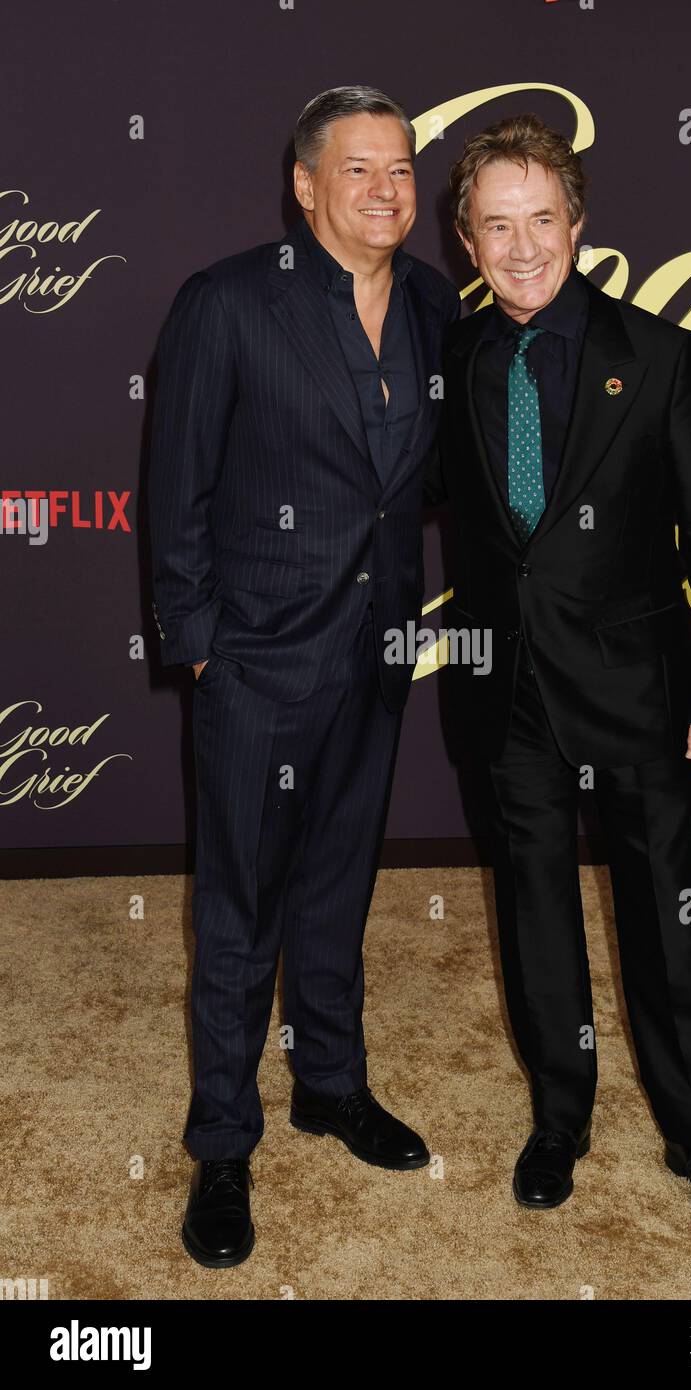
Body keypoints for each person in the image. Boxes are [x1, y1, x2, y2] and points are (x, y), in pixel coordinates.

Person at [425, 114, 691, 1233]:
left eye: (542, 221)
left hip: (639, 695)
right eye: (495, 227)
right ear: (464, 244)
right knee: (534, 918)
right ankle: (558, 1116)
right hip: (507, 697)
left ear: (577, 224)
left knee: (662, 921)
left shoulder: (656, 355)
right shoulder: (453, 362)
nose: (522, 249)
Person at [149, 86, 459, 1267]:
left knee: (336, 889)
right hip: (256, 664)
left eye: (399, 171)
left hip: (378, 650)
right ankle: (223, 1141)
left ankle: (329, 1086)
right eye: (358, 170)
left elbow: (425, 478)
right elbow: (175, 484)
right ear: (304, 184)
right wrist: (198, 643)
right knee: (238, 913)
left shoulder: (434, 304)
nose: (386, 192)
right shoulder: (227, 303)